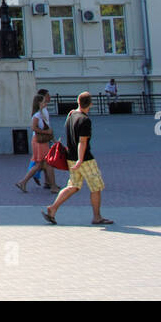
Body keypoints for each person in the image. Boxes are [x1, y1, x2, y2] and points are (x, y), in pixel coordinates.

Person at [44, 91, 112, 225]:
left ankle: (53, 208)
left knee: (73, 185)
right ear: (91, 104)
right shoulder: (84, 120)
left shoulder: (71, 115)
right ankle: (97, 217)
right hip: (85, 159)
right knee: (96, 187)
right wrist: (81, 159)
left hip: (71, 157)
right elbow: (83, 142)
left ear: (78, 102)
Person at [16, 90, 60, 194]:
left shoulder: (41, 113)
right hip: (40, 142)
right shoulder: (37, 115)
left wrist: (52, 138)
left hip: (41, 141)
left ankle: (24, 182)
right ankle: (51, 186)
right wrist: (47, 132)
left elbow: (46, 126)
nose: (46, 103)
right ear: (39, 103)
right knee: (45, 164)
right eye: (44, 102)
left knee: (42, 164)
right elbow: (34, 128)